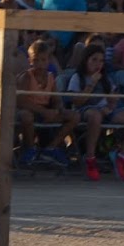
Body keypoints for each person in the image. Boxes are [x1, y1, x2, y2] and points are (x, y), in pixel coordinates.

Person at [67, 41, 124, 180]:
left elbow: (113, 96)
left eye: (101, 61)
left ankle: (122, 156)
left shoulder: (106, 78)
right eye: (94, 60)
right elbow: (76, 101)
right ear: (86, 60)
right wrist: (90, 85)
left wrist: (111, 105)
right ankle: (90, 158)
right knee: (96, 116)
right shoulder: (77, 77)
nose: (98, 64)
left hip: (107, 110)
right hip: (86, 109)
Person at [17, 38, 81, 172]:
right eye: (36, 60)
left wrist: (59, 108)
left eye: (43, 60)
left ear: (48, 61)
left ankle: (51, 148)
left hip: (46, 111)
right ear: (30, 61)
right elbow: (21, 100)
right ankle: (30, 149)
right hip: (30, 110)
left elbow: (56, 98)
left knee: (74, 116)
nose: (40, 64)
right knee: (26, 116)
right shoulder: (26, 77)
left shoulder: (51, 77)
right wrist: (42, 111)